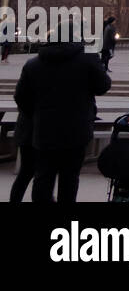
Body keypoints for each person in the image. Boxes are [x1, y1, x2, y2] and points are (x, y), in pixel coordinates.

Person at [13, 38, 111, 203]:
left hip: (44, 130)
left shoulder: (33, 64)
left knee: (43, 177)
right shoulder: (86, 60)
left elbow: (21, 97)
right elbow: (103, 86)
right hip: (76, 129)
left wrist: (37, 115)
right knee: (70, 178)